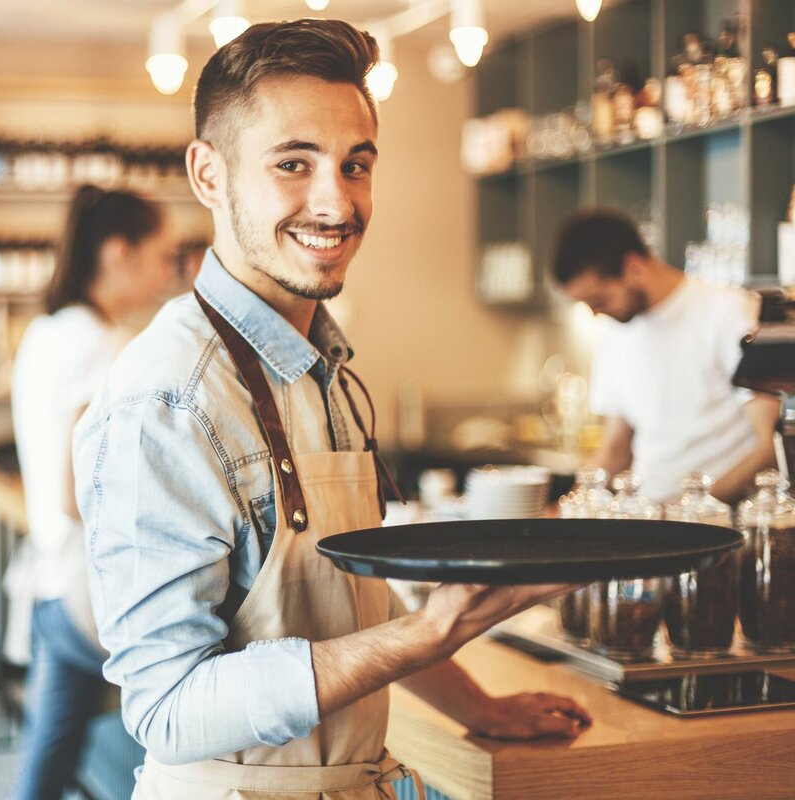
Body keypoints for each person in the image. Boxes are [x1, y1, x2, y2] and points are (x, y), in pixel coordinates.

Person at [74, 20, 591, 800]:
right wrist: (427, 630)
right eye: (293, 163)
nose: (337, 202)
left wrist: (482, 707)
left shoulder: (328, 371)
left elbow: (351, 613)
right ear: (208, 175)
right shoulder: (167, 398)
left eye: (356, 165)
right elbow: (167, 707)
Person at [11, 185, 179, 800]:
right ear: (118, 253)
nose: (170, 274)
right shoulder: (100, 345)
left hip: (53, 584)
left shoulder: (49, 330)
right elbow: (75, 492)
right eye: (162, 257)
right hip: (89, 587)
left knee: (51, 752)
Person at [552, 208, 780, 503]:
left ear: (634, 266)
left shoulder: (727, 312)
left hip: (720, 523)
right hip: (649, 519)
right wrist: (569, 511)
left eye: (599, 299)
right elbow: (616, 449)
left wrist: (696, 513)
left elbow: (768, 447)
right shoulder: (615, 331)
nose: (595, 313)